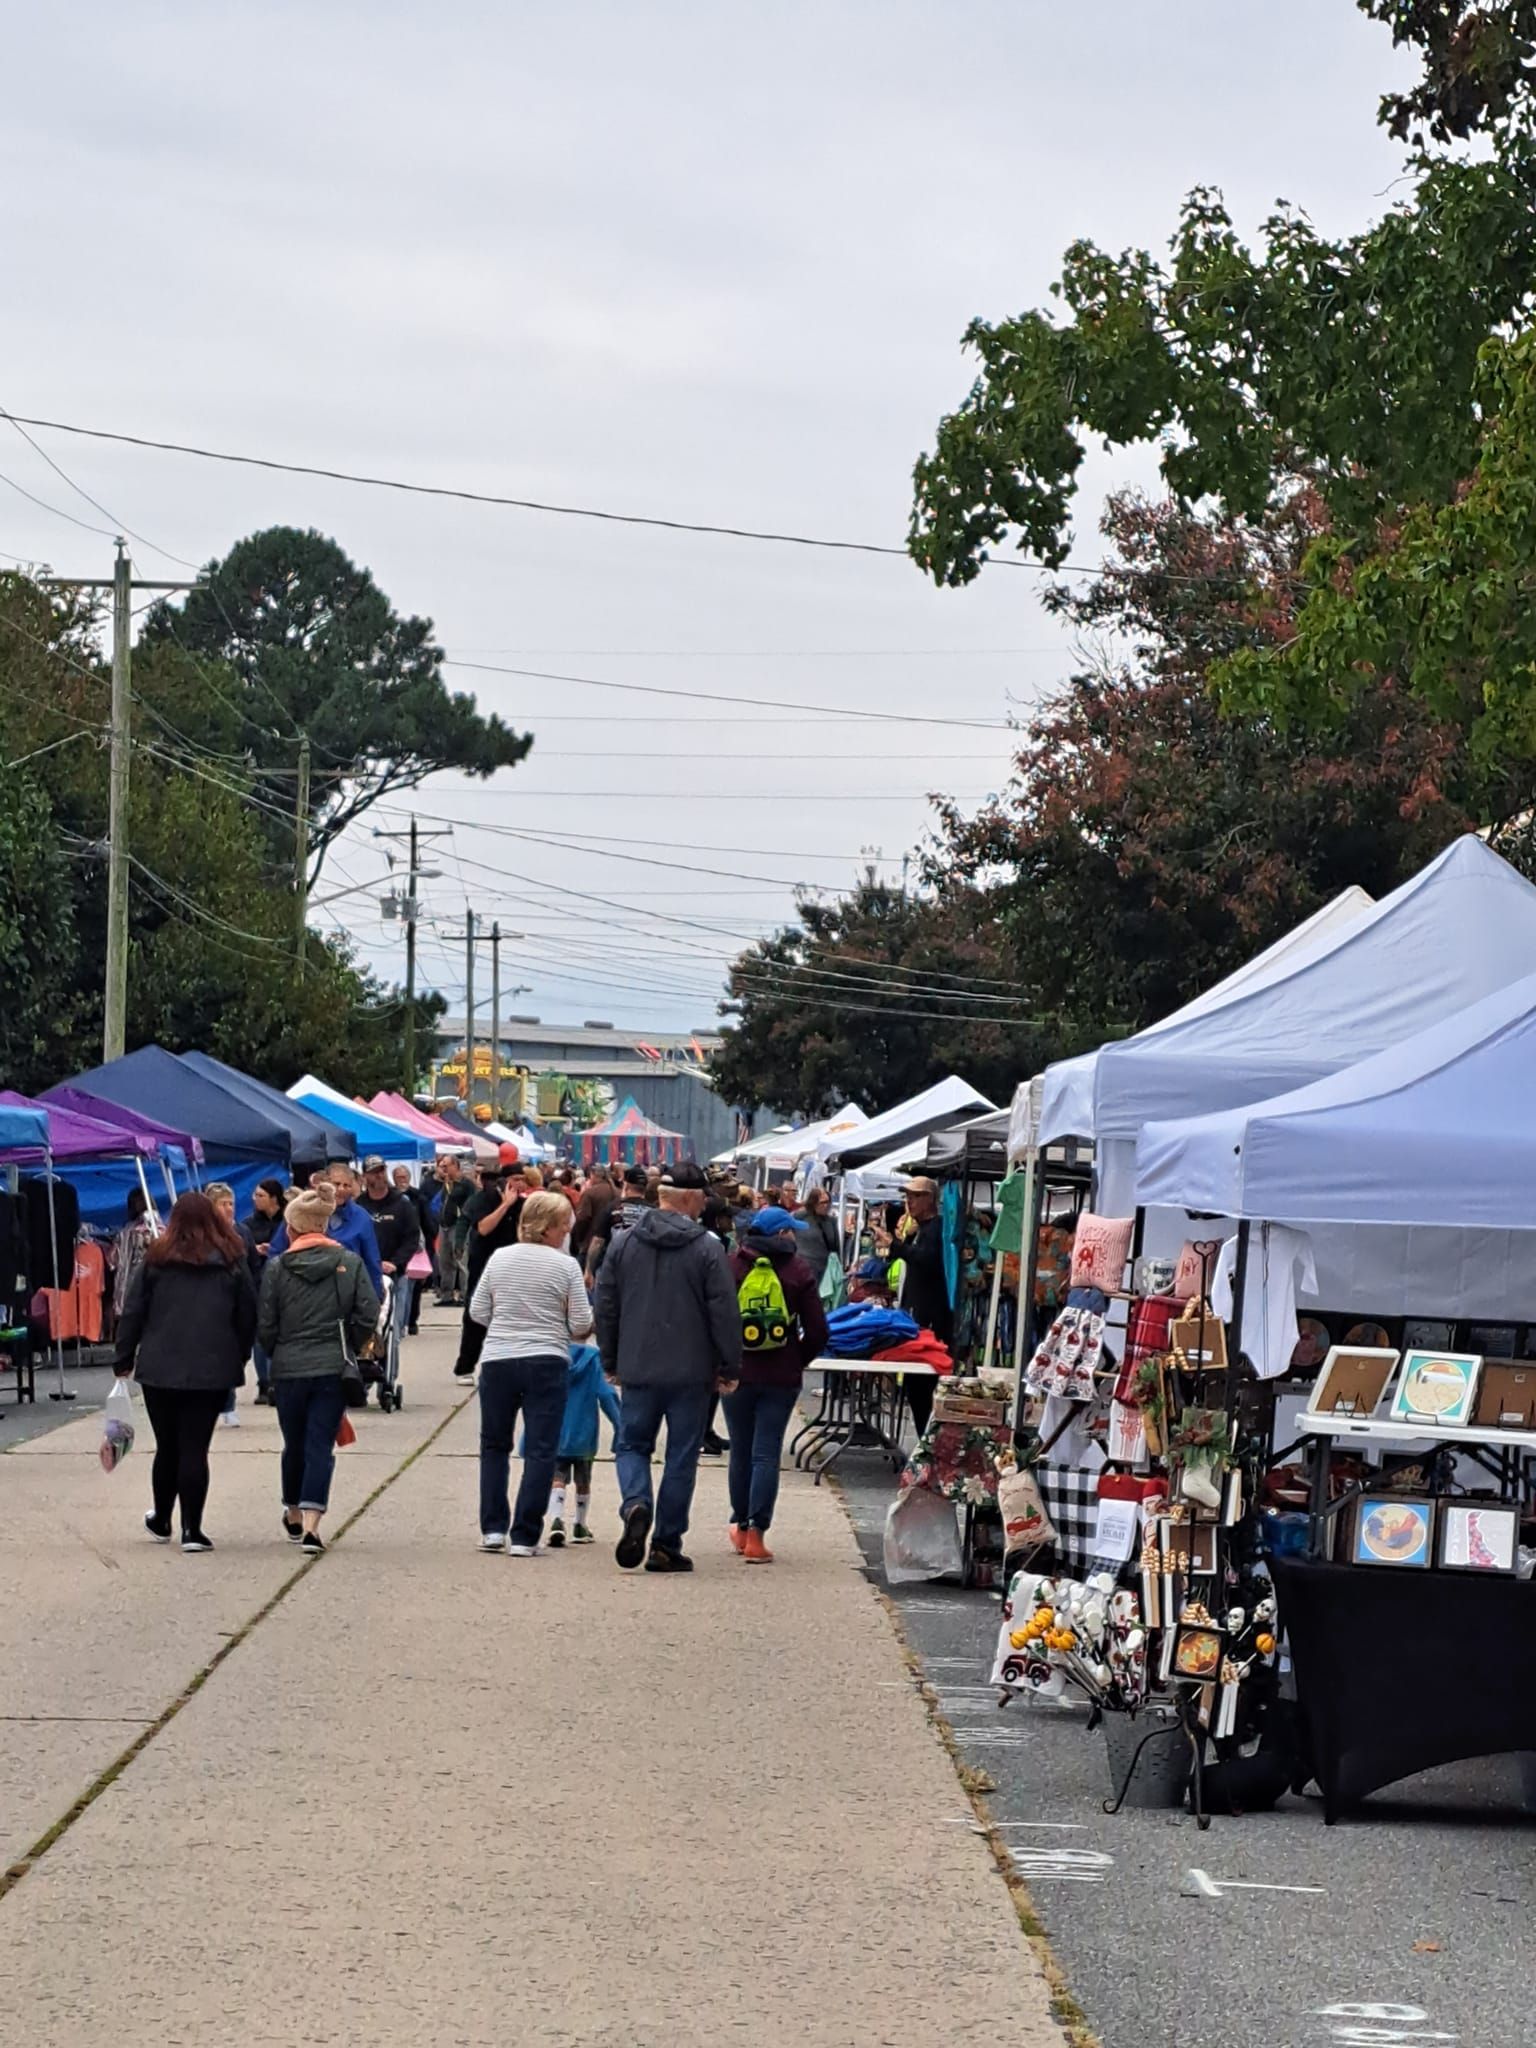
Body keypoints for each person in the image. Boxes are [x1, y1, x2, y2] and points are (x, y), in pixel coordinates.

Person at [594, 1160, 741, 1574]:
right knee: (681, 1454)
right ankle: (665, 1543)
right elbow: (724, 1312)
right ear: (692, 1199)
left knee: (631, 1444)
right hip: (692, 1371)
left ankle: (636, 1502)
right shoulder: (708, 1248)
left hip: (638, 1365)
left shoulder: (623, 1242)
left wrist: (611, 1357)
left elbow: (606, 1304)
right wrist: (730, 1364)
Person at [112, 1191, 258, 1553]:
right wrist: (237, 1356)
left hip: (160, 1364)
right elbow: (247, 1315)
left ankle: (162, 1518)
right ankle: (193, 1529)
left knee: (167, 1447)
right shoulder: (231, 1260)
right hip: (212, 1365)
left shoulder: (156, 1259)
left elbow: (133, 1311)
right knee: (196, 1447)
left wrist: (124, 1355)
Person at [469, 1190, 594, 1556]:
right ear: (551, 1228)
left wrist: (508, 1322)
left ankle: (492, 1528)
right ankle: (524, 1535)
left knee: (494, 1444)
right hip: (547, 1359)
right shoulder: (566, 1265)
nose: (568, 1231)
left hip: (499, 1358)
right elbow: (580, 1324)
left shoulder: (500, 1257)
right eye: (565, 1225)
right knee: (541, 1450)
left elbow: (478, 1310)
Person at [257, 1184, 382, 1554]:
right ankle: (312, 1523)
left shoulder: (278, 1268)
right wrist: (350, 1343)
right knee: (319, 1444)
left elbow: (266, 1321)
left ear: (293, 1229)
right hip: (332, 1366)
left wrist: (276, 1350)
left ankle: (293, 1511)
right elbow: (368, 1311)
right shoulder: (349, 1263)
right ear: (324, 1227)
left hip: (289, 1366)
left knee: (293, 1442)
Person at [725, 1204, 829, 1563]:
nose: (795, 1236)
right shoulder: (798, 1269)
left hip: (738, 1372)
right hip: (780, 1375)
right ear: (781, 1235)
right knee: (766, 1452)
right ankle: (757, 1536)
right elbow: (818, 1330)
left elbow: (717, 1321)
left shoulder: (732, 1265)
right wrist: (795, 1359)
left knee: (740, 1449)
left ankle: (739, 1527)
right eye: (791, 1231)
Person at [453, 1164, 525, 1379]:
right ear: (503, 1181)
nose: (519, 1183)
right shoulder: (482, 1199)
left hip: (512, 1267)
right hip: (484, 1265)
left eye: (522, 1179)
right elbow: (483, 1228)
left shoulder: (523, 1204)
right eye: (515, 1178)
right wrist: (505, 1205)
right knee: (475, 1316)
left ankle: (507, 1364)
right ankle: (465, 1368)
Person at [546, 1342, 622, 1547]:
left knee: (557, 1477)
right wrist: (620, 1423)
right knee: (583, 1480)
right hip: (584, 1433)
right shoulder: (593, 1358)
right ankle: (580, 1524)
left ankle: (556, 1519)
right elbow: (606, 1394)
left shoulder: (555, 1353)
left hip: (556, 1428)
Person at [268, 1162, 384, 1294]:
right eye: (336, 1184)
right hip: (302, 1292)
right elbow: (276, 1252)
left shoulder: (362, 1218)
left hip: (347, 1292)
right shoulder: (302, 1210)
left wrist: (376, 1297)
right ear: (324, 1183)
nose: (341, 1189)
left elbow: (372, 1261)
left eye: (347, 1185)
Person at [893, 1176, 949, 1434]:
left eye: (915, 1196)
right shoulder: (919, 1230)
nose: (909, 1201)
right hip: (915, 1316)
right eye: (907, 1196)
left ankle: (927, 1447)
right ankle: (923, 1445)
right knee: (914, 1388)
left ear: (930, 1199)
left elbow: (927, 1262)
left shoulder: (936, 1228)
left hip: (930, 1320)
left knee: (922, 1387)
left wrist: (896, 1245)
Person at [358, 1155, 422, 1353]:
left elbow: (412, 1238)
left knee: (393, 1329)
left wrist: (395, 1262)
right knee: (366, 1327)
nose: (379, 1175)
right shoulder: (359, 1206)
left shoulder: (402, 1204)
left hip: (395, 1275)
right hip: (365, 1276)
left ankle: (389, 1375)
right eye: (374, 1172)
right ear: (365, 1177)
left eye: (381, 1170)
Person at [243, 1177, 288, 1405]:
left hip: (284, 1283)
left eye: (260, 1195)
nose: (255, 1199)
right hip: (259, 1282)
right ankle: (264, 1382)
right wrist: (255, 1249)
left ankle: (278, 1380)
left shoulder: (289, 1221)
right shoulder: (249, 1224)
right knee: (261, 1335)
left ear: (274, 1199)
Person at [392, 1163, 437, 1335]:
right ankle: (399, 1321)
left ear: (409, 1178)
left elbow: (427, 1222)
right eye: (398, 1178)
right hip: (397, 1245)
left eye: (404, 1177)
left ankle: (412, 1320)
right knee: (401, 1285)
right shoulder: (391, 1196)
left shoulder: (418, 1197)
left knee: (416, 1286)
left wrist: (429, 1245)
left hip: (418, 1246)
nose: (401, 1181)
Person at [110, 1187, 155, 1326]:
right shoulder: (126, 1229)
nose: (139, 1204)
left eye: (141, 1200)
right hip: (127, 1277)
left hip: (144, 1276)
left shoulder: (154, 1225)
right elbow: (114, 1259)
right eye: (135, 1201)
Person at [435, 1153, 475, 1305]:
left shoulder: (465, 1184)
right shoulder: (446, 1184)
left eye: (446, 1166)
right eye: (441, 1166)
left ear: (455, 1166)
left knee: (461, 1260)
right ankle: (447, 1295)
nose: (443, 1169)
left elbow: (471, 1204)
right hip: (444, 1225)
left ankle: (465, 1295)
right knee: (445, 1261)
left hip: (458, 1225)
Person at [569, 1164, 615, 1269]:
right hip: (611, 1244)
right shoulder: (617, 1192)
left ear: (593, 1175)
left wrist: (578, 1239)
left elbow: (582, 1218)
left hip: (589, 1245)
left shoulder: (590, 1193)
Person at [793, 1186, 840, 1282]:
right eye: (822, 1202)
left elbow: (835, 1247)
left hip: (824, 1269)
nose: (826, 1205)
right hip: (804, 1267)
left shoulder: (831, 1221)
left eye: (828, 1202)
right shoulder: (799, 1217)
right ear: (813, 1203)